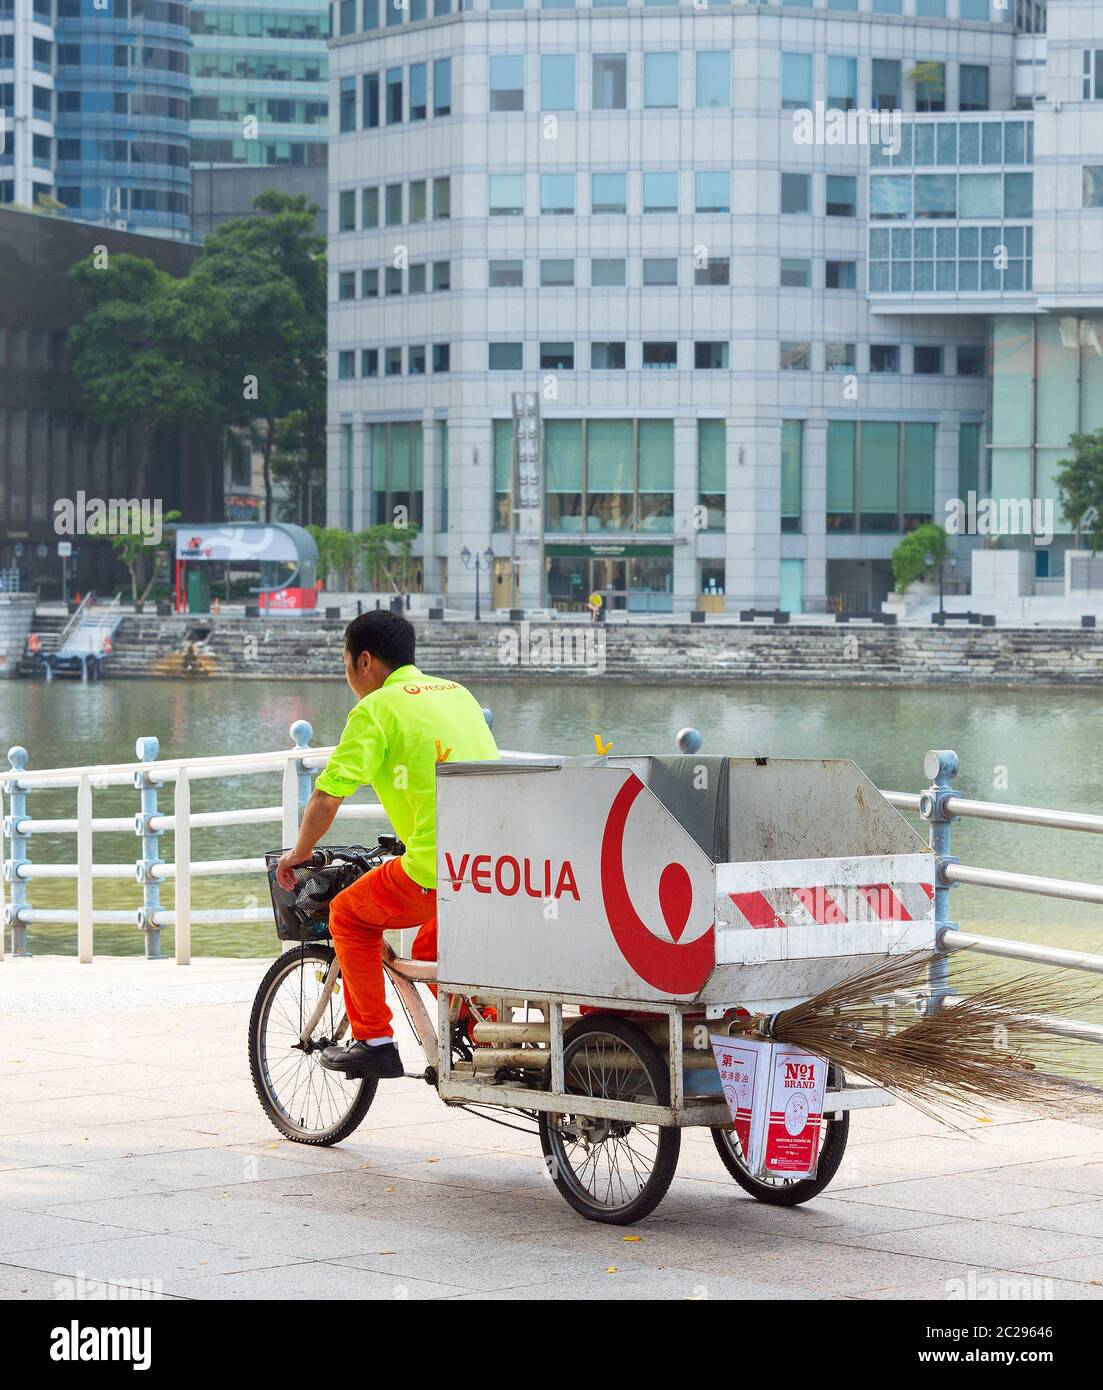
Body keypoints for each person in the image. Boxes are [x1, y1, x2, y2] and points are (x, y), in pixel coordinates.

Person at [276, 611, 499, 1080]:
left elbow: (326, 796)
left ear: (363, 661)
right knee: (431, 940)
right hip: (492, 863)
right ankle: (490, 1038)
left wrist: (299, 851)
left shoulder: (375, 709)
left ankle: (374, 1040)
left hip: (436, 865)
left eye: (345, 663)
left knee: (348, 914)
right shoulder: (458, 694)